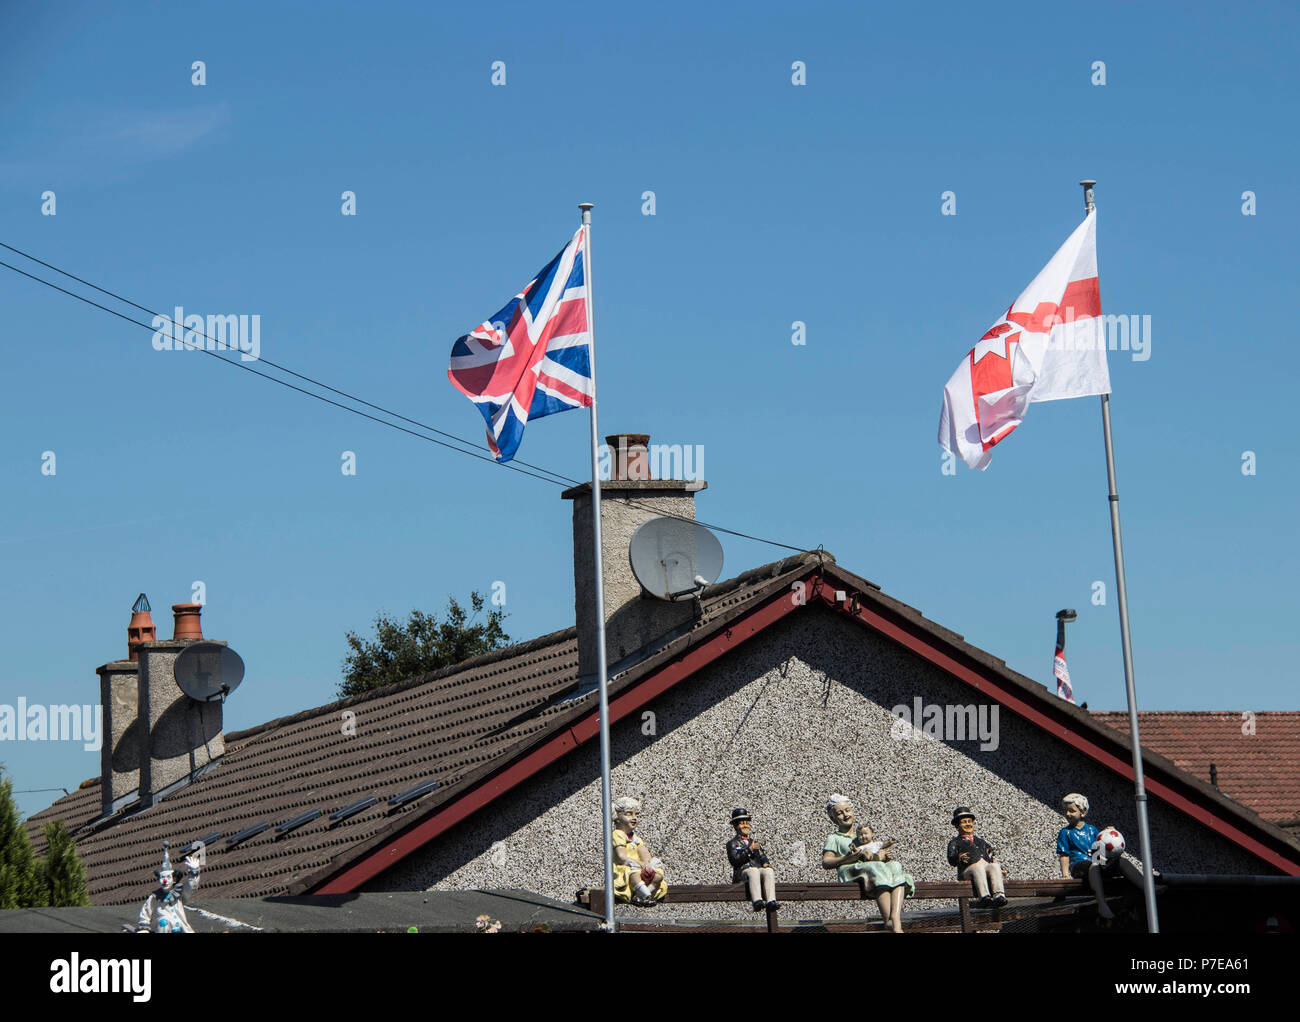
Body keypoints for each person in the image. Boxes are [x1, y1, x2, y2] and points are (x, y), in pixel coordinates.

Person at [821, 794, 913, 933]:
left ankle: (895, 917)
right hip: (849, 870)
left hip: (869, 868)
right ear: (833, 818)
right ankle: (887, 919)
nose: (845, 815)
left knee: (895, 866)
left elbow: (873, 853)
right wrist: (845, 858)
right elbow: (826, 861)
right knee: (874, 867)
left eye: (847, 810)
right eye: (839, 813)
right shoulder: (834, 838)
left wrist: (881, 856)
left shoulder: (861, 836)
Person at [1056, 792, 1144, 921]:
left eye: (1072, 811)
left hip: (1095, 863)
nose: (1068, 814)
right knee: (1094, 866)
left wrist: (1109, 834)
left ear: (1083, 812)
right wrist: (1065, 874)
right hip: (1079, 866)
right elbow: (1064, 854)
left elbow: (1100, 850)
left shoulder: (1092, 830)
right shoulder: (1065, 832)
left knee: (1120, 861)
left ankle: (1147, 887)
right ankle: (1102, 904)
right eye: (1066, 811)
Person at [611, 796, 667, 905]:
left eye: (636, 814)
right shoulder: (618, 834)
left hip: (638, 865)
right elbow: (622, 857)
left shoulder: (635, 838)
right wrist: (640, 864)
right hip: (624, 867)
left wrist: (647, 863)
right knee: (633, 873)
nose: (634, 817)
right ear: (617, 816)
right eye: (628, 814)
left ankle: (641, 895)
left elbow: (644, 853)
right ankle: (647, 895)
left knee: (658, 873)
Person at [946, 806, 1007, 907]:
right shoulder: (955, 842)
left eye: (970, 821)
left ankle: (999, 895)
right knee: (977, 868)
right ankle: (984, 897)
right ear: (957, 826)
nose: (968, 824)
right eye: (964, 822)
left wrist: (1000, 869)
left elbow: (990, 856)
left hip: (984, 866)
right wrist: (959, 858)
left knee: (994, 866)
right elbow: (951, 859)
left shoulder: (981, 842)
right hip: (968, 870)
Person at [136, 841, 202, 933]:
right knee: (164, 921)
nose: (165, 880)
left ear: (173, 879)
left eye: (168, 877)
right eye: (162, 877)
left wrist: (193, 873)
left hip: (180, 928)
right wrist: (144, 927)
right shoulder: (155, 897)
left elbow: (191, 887)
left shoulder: (179, 893)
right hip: (163, 928)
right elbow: (146, 912)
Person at [724, 807, 779, 912]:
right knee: (753, 871)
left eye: (747, 823)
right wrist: (749, 850)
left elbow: (762, 855)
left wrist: (766, 863)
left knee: (768, 871)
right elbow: (735, 860)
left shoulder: (753, 842)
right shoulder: (732, 843)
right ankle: (757, 901)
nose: (745, 825)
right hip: (743, 873)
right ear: (736, 826)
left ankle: (771, 901)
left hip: (757, 871)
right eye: (742, 823)